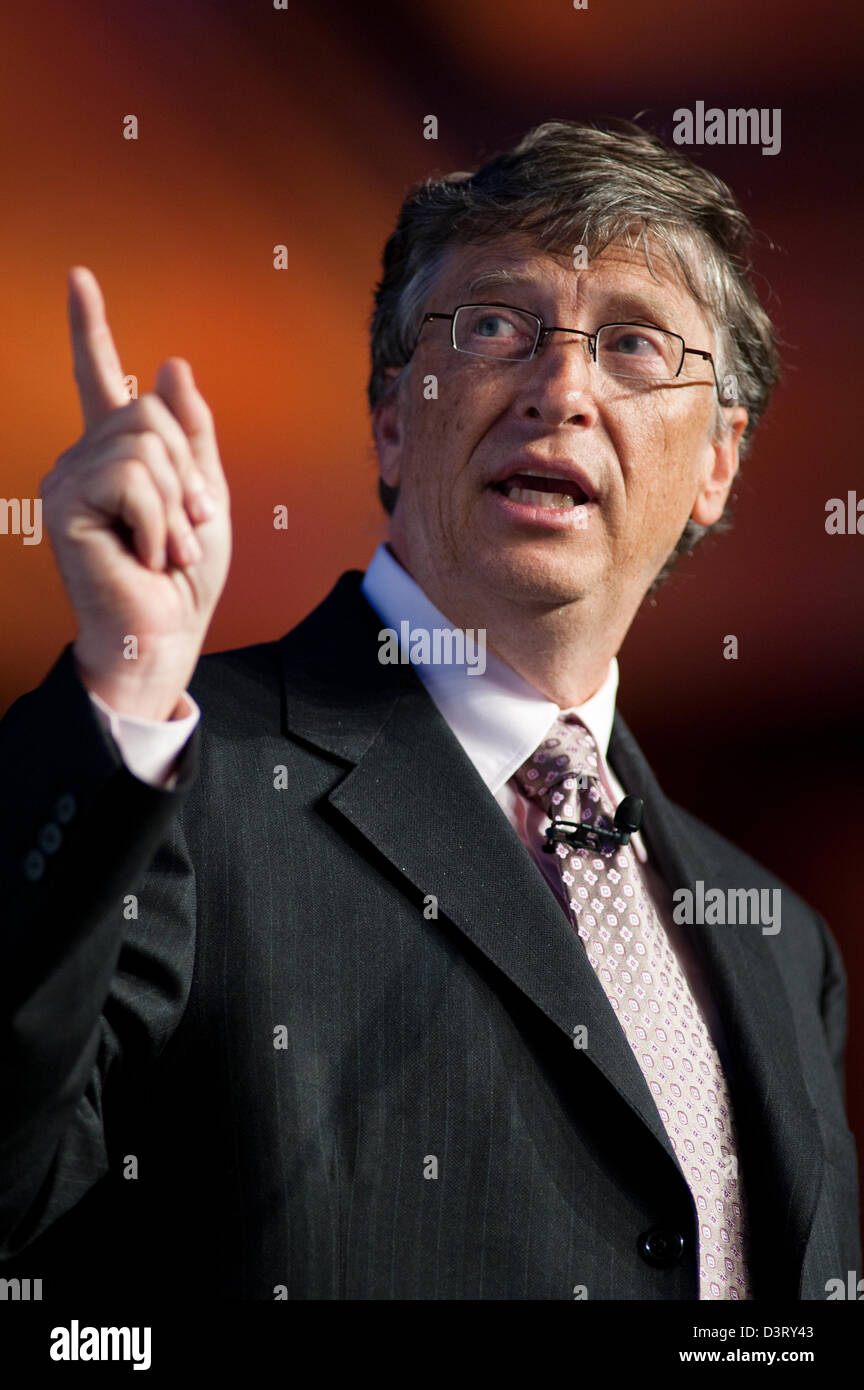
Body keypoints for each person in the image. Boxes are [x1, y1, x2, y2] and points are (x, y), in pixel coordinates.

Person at [0, 118, 858, 1302]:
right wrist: (123, 692)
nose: (560, 389)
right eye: (497, 326)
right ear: (393, 418)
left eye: (633, 343)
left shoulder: (779, 941)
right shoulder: (172, 778)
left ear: (717, 461)